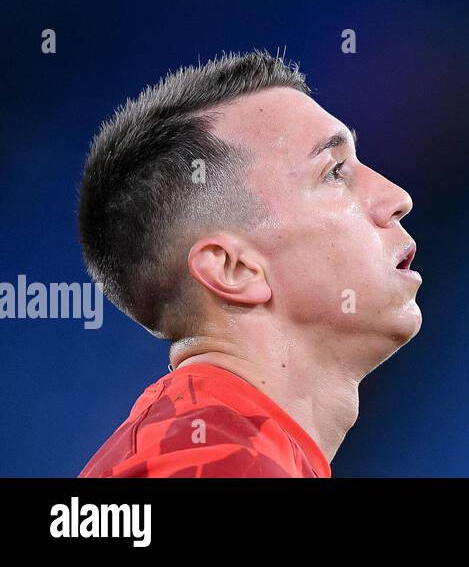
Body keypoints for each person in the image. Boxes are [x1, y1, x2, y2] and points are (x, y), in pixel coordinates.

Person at [76, 50, 421, 477]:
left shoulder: (223, 451)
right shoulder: (210, 462)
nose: (397, 199)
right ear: (234, 270)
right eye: (334, 172)